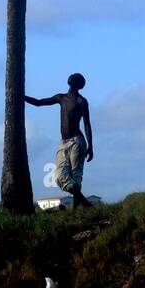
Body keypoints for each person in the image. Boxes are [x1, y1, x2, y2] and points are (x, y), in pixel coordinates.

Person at [25, 73, 94, 208]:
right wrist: (21, 96)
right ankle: (86, 204)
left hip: (77, 142)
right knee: (60, 177)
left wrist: (91, 147)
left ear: (78, 84)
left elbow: (87, 124)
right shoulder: (61, 98)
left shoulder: (81, 101)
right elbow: (39, 103)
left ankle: (76, 209)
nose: (71, 77)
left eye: (75, 77)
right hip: (64, 142)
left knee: (75, 177)